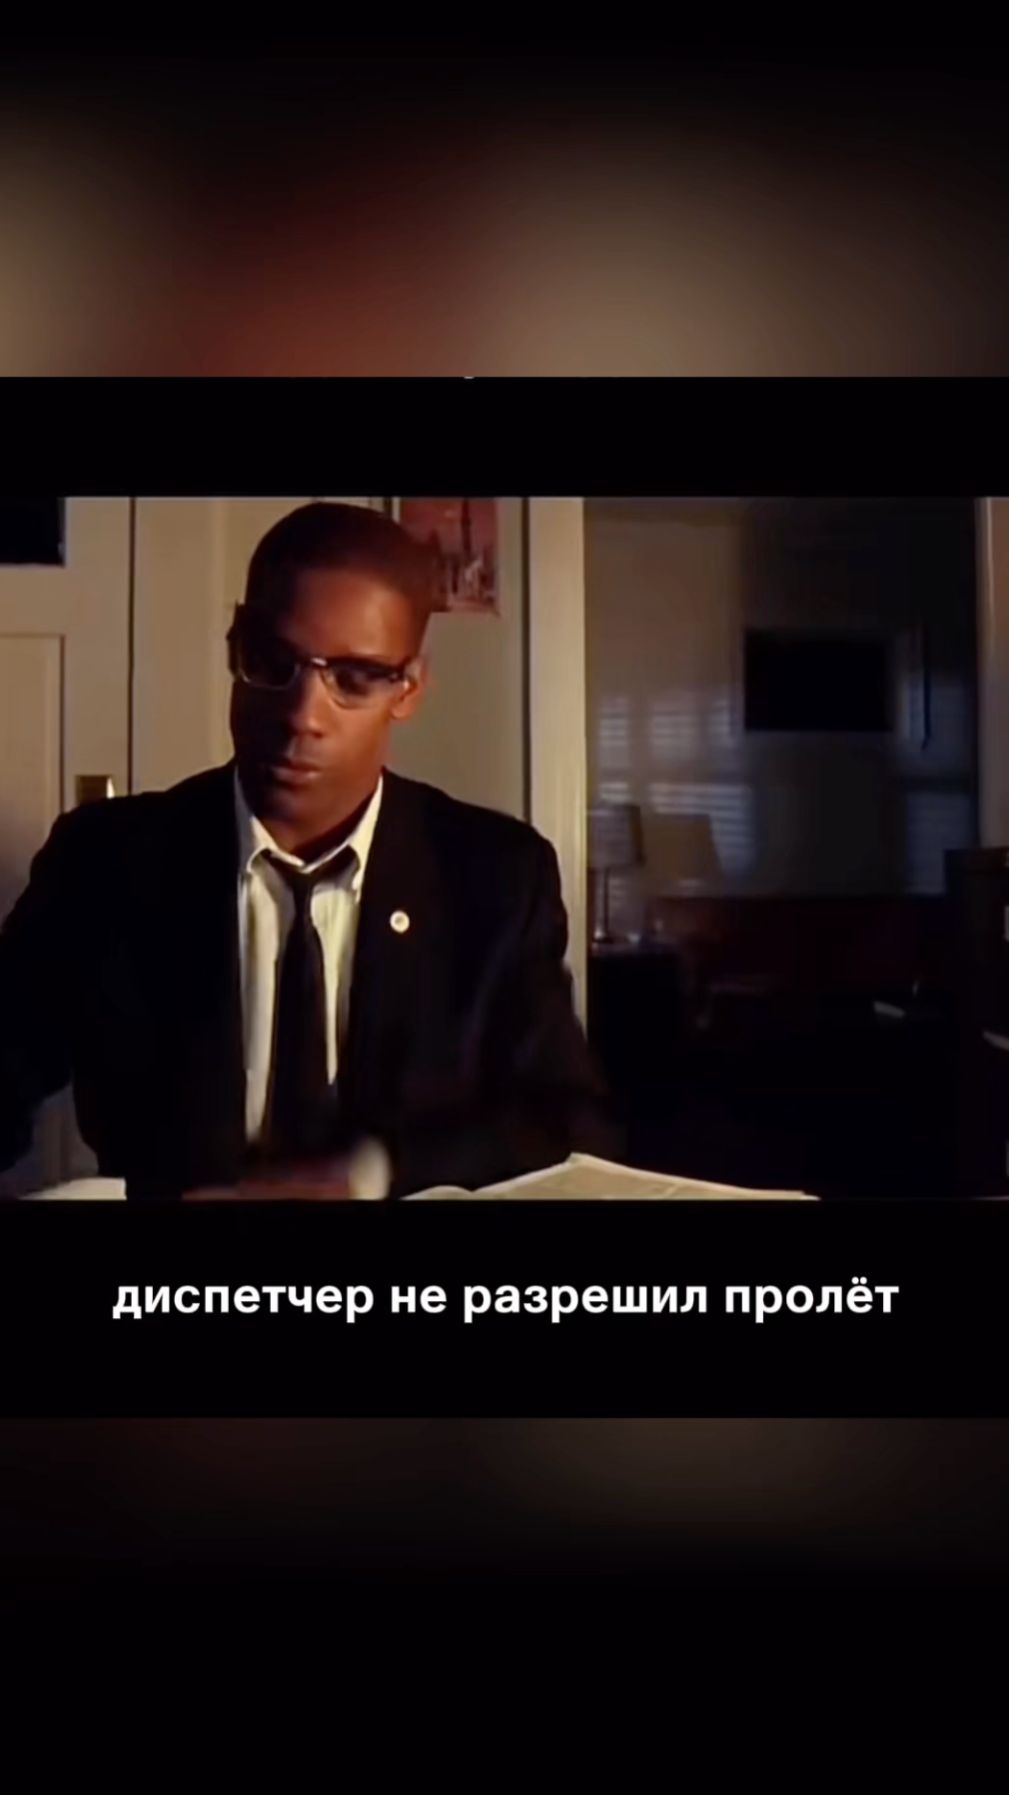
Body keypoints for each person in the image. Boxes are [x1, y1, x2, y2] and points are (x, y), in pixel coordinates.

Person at [0, 502, 617, 1200]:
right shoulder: (106, 863)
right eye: (273, 662)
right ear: (236, 644)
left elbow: (565, 1123)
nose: (301, 716)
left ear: (409, 687)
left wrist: (361, 1177)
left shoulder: (495, 876)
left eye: (353, 678)